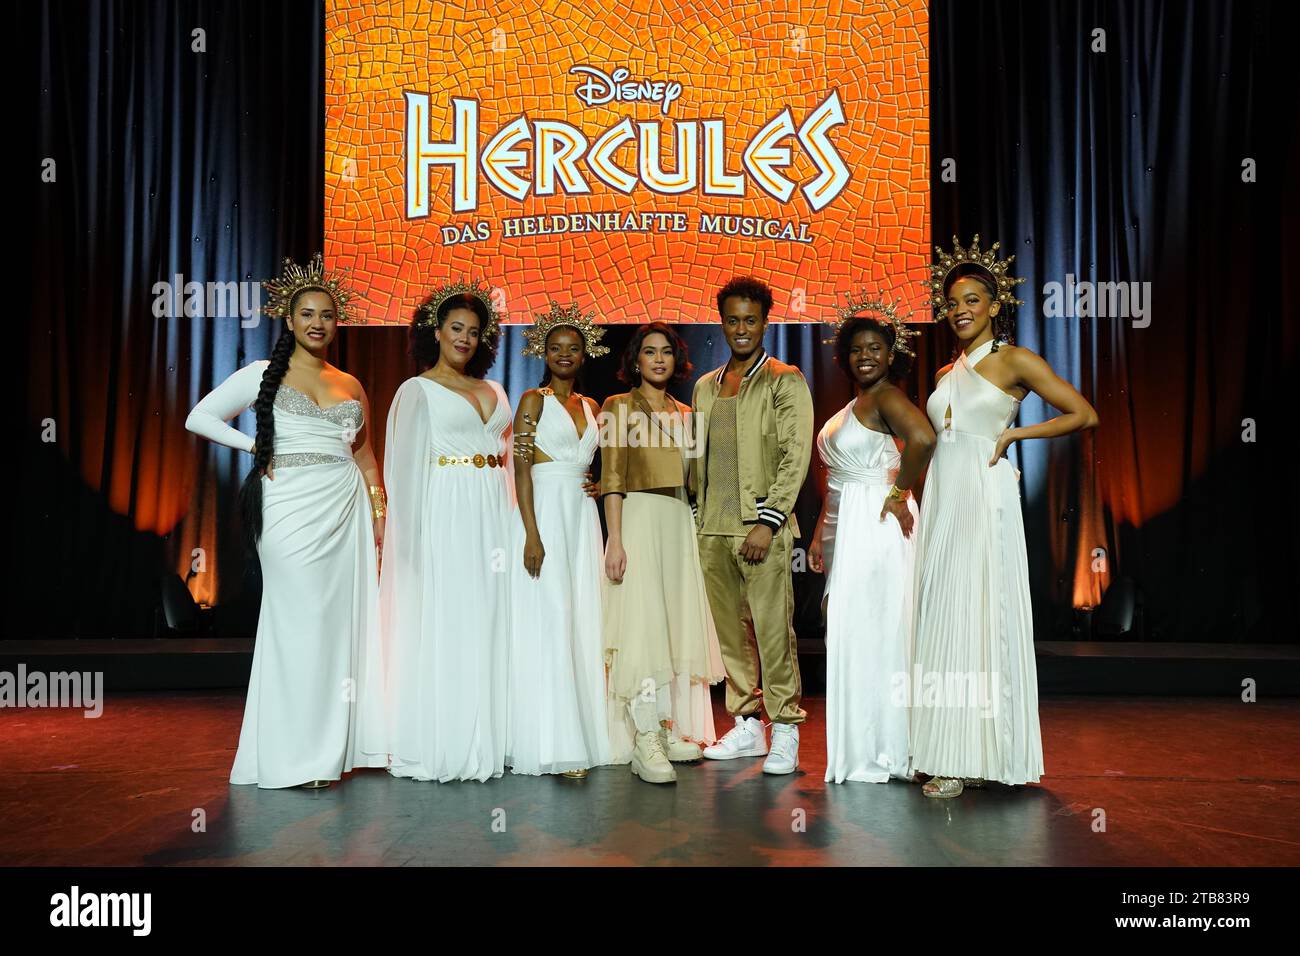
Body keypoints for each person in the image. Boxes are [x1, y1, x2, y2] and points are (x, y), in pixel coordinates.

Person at [185, 253, 387, 789]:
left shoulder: (351, 383)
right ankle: (294, 753)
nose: (318, 323)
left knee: (336, 627)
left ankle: (333, 749)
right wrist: (255, 445)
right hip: (288, 505)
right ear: (290, 320)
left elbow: (366, 457)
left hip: (344, 508)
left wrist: (379, 512)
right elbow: (198, 416)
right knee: (297, 624)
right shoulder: (260, 375)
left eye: (327, 314)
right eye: (308, 314)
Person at [912, 235, 1099, 798]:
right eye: (952, 302)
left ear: (994, 305)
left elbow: (1082, 414)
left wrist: (1017, 432)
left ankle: (971, 755)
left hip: (983, 493)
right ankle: (942, 746)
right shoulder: (949, 369)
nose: (961, 309)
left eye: (973, 299)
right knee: (943, 614)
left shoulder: (1013, 360)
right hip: (944, 495)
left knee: (976, 612)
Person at [379, 280, 513, 783]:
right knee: (452, 619)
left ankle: (489, 736)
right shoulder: (416, 392)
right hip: (447, 512)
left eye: (474, 332)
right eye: (456, 328)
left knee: (491, 617)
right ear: (435, 332)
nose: (465, 338)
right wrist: (410, 546)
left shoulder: (495, 390)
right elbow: (403, 476)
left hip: (493, 510)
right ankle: (447, 738)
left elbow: (509, 460)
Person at [808, 298, 935, 783]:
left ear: (891, 354)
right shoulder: (856, 404)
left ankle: (890, 748)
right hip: (849, 521)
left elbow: (923, 438)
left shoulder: (886, 397)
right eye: (857, 349)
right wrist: (822, 530)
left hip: (878, 525)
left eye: (875, 348)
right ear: (845, 357)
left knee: (881, 633)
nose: (866, 356)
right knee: (857, 632)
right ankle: (869, 743)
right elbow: (838, 480)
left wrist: (900, 491)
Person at [693, 277, 814, 774]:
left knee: (772, 632)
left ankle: (785, 728)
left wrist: (769, 521)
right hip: (713, 529)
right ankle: (747, 726)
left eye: (751, 320)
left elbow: (795, 455)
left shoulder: (784, 379)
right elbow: (696, 458)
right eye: (732, 320)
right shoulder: (705, 385)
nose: (741, 329)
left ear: (765, 322)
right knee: (729, 635)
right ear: (721, 322)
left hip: (760, 527)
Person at [600, 323, 725, 784]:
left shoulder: (688, 413)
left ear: (676, 360)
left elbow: (695, 482)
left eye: (666, 352)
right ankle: (644, 738)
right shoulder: (618, 407)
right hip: (637, 516)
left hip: (676, 520)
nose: (658, 359)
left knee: (671, 627)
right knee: (642, 626)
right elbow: (612, 478)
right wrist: (615, 537)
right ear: (635, 359)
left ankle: (668, 727)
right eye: (649, 352)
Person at [506, 302, 611, 778]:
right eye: (556, 347)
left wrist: (596, 483)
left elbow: (593, 466)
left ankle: (586, 734)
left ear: (585, 353)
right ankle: (553, 741)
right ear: (543, 353)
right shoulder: (533, 400)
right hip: (544, 514)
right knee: (550, 617)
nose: (564, 354)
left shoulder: (592, 408)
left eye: (573, 347)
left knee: (582, 618)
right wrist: (531, 531)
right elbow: (521, 469)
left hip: (582, 517)